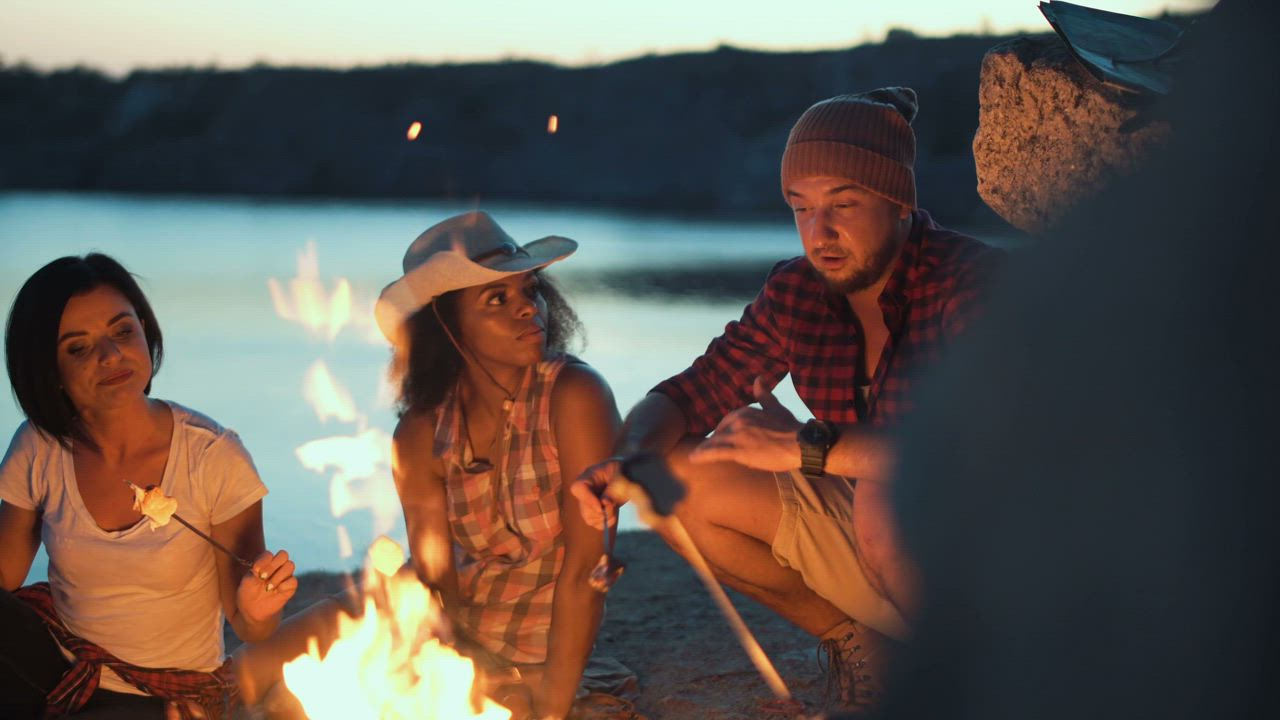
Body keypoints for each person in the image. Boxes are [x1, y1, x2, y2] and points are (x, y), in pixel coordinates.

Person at [572, 88, 1003, 711]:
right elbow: (691, 391)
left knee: (886, 501)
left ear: (899, 202)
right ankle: (865, 648)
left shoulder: (972, 283)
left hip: (1003, 555)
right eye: (800, 208)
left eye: (844, 204)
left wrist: (806, 447)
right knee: (669, 478)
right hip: (879, 540)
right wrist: (629, 458)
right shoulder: (798, 292)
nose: (819, 232)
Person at [0, 253, 297, 719]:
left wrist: (259, 609)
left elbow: (249, 626)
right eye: (78, 348)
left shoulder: (211, 456)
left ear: (144, 330)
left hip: (166, 695)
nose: (111, 356)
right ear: (48, 368)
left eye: (122, 331)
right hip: (65, 666)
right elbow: (4, 577)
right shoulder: (39, 447)